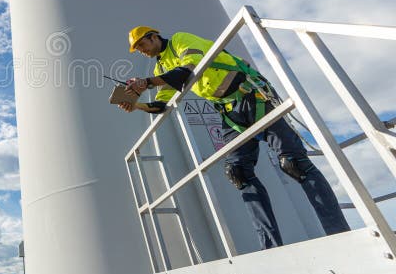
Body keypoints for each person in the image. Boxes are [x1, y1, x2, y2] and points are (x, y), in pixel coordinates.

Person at [119, 26, 350, 249]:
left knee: (293, 163)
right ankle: (270, 247)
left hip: (251, 95)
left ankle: (338, 233)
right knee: (238, 173)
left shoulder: (180, 40)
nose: (142, 50)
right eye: (137, 49)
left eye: (142, 44)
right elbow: (162, 105)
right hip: (228, 112)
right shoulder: (161, 69)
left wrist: (147, 82)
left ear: (153, 37)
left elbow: (188, 69)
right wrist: (136, 104)